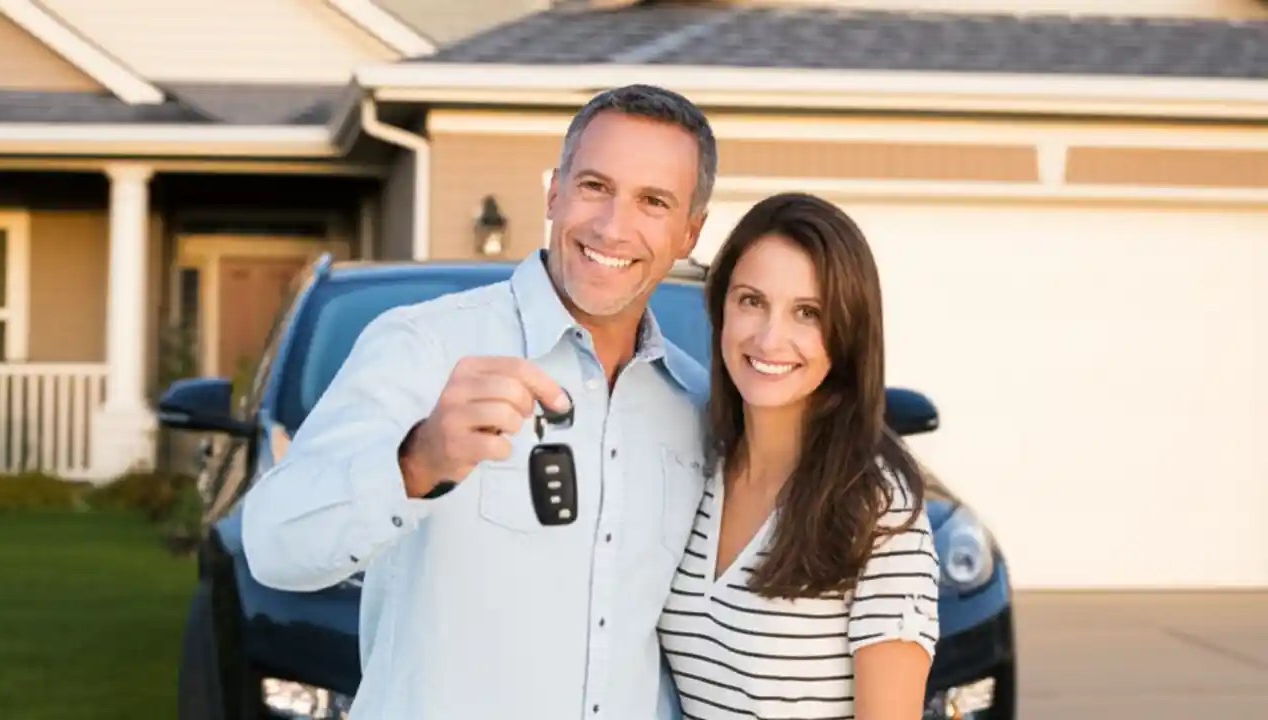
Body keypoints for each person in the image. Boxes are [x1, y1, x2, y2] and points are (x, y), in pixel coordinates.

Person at [240, 84, 717, 719]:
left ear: (689, 231)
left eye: (653, 202)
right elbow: (273, 546)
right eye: (595, 186)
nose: (612, 225)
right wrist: (415, 465)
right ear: (554, 191)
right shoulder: (424, 346)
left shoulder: (697, 406)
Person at [657, 193, 941, 720]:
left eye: (806, 313)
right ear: (721, 307)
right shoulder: (693, 466)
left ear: (847, 333)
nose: (770, 338)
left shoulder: (877, 508)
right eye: (751, 301)